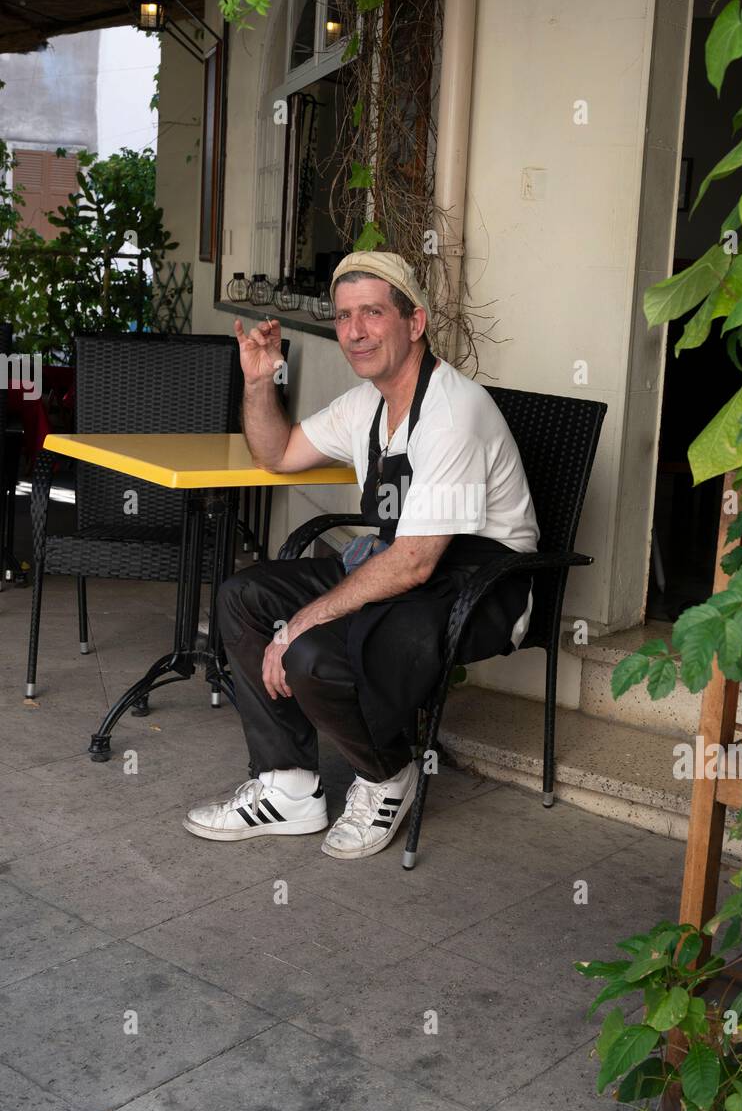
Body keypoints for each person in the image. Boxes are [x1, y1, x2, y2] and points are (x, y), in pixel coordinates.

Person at [184, 251, 539, 859]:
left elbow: (417, 563)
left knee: (315, 653)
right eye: (345, 315)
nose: (354, 330)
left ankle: (386, 774)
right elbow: (278, 452)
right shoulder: (368, 403)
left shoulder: (452, 413)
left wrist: (300, 623)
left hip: (478, 584)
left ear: (415, 322)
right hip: (402, 562)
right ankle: (287, 787)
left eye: (372, 312)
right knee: (243, 597)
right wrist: (258, 379)